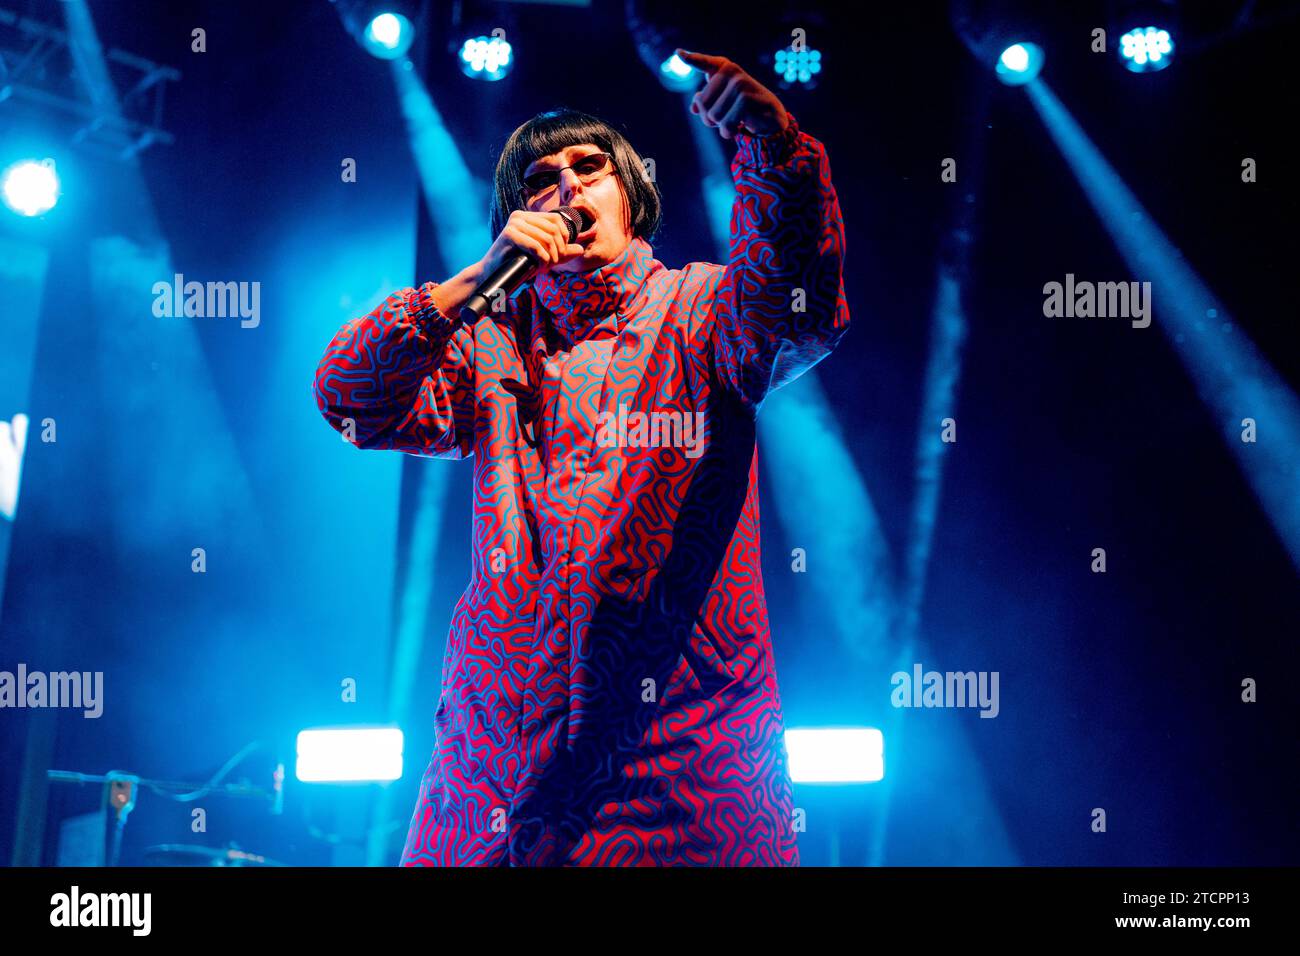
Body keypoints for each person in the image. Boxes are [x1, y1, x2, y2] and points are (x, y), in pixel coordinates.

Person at [313, 49, 849, 865]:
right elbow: (350, 401)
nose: (566, 186)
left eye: (590, 168)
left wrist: (773, 149)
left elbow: (798, 294)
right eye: (539, 178)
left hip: (681, 776)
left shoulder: (702, 309)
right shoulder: (485, 347)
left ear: (631, 198)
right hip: (495, 781)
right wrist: (472, 284)